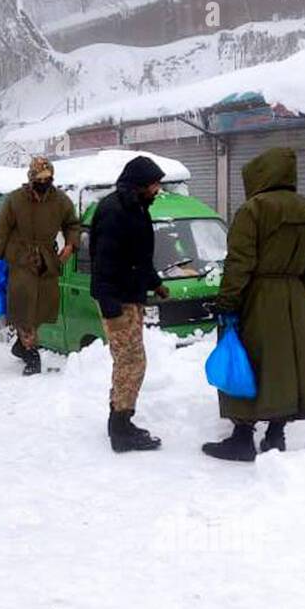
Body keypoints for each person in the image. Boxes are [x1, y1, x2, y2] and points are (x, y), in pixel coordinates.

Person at [202, 148, 305, 461]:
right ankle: (275, 435)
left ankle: (242, 437)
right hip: (297, 297)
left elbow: (239, 262)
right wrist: (299, 294)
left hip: (258, 296)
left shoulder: (254, 209)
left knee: (249, 360)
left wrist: (228, 301)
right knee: (286, 366)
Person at [89, 156, 168, 452]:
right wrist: (110, 305)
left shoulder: (134, 207)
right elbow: (104, 261)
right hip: (118, 299)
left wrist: (155, 283)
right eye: (154, 184)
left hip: (128, 295)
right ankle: (121, 429)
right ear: (139, 184)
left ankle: (120, 419)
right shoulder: (115, 211)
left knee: (130, 361)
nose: (157, 189)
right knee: (131, 362)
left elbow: (138, 257)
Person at [0, 155, 81, 375]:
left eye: (47, 178)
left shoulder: (60, 200)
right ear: (31, 178)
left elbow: (72, 224)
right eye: (39, 178)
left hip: (48, 260)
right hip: (20, 259)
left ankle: (22, 346)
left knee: (42, 309)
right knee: (23, 307)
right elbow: (1, 232)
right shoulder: (15, 200)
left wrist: (71, 244)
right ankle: (31, 355)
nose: (43, 182)